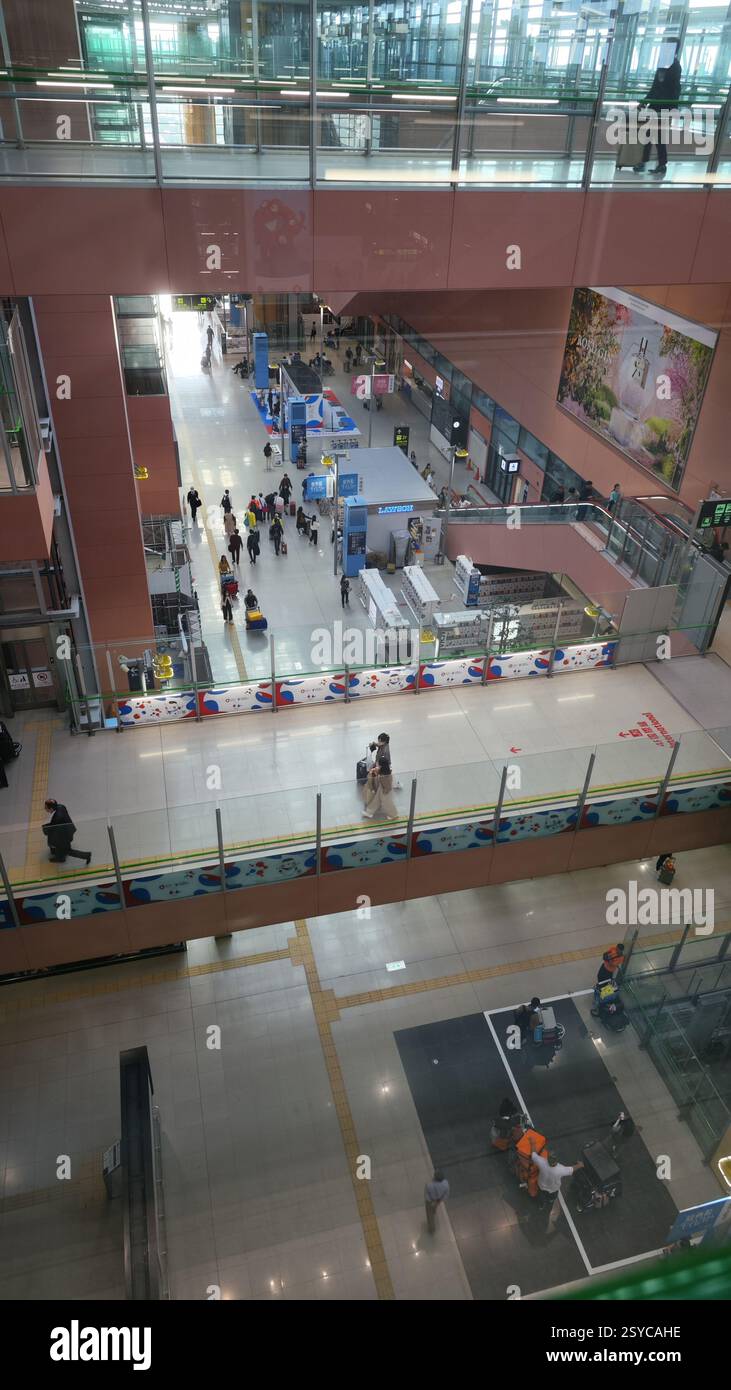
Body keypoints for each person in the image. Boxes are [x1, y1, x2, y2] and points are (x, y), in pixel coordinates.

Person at [635, 39, 682, 176]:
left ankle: (661, 164)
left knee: (659, 136)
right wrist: (645, 102)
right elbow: (655, 87)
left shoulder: (675, 67)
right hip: (656, 106)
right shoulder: (663, 65)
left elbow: (673, 90)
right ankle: (646, 162)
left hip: (665, 108)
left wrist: (670, 109)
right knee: (649, 134)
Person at [528, 1140, 583, 1224]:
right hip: (553, 1190)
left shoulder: (542, 1162)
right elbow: (572, 1169)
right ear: (556, 1160)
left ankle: (541, 1205)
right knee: (551, 1199)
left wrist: (533, 1143)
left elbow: (534, 1155)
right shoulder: (560, 1169)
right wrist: (580, 1165)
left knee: (541, 1197)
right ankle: (549, 1204)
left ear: (548, 1159)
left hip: (541, 1186)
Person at [42, 799, 91, 865]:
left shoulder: (57, 817)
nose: (45, 809)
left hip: (64, 836)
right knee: (61, 847)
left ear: (51, 808)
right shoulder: (61, 807)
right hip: (67, 831)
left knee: (67, 851)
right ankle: (59, 856)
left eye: (46, 808)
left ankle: (86, 855)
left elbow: (52, 827)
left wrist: (45, 828)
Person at [363, 751, 397, 821]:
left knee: (386, 802)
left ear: (381, 765)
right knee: (376, 800)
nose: (377, 764)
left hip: (385, 790)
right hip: (382, 788)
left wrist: (384, 791)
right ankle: (369, 812)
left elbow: (387, 786)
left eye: (378, 763)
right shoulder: (386, 771)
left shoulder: (385, 776)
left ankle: (393, 815)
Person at [424, 1170, 450, 1234]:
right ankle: (434, 1210)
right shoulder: (446, 1184)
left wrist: (431, 1202)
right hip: (438, 1200)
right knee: (434, 1207)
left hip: (430, 1201)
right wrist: (438, 1201)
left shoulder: (429, 1185)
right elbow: (446, 1195)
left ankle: (432, 1229)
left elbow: (427, 1196)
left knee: (430, 1216)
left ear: (435, 1177)